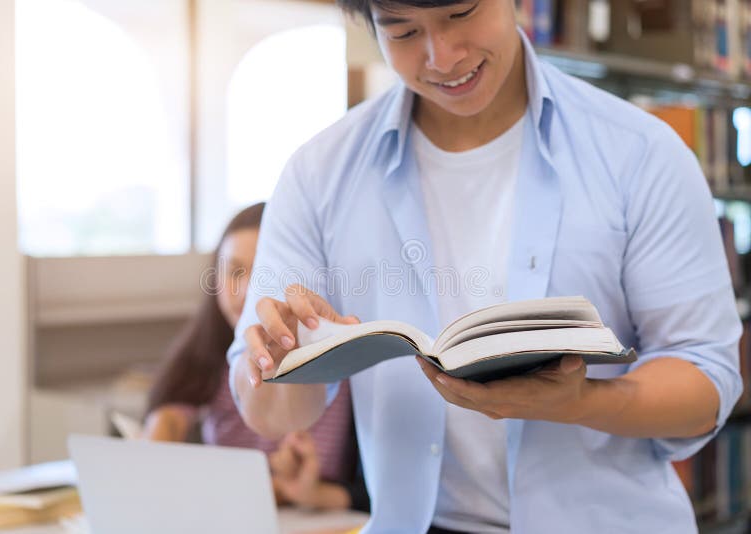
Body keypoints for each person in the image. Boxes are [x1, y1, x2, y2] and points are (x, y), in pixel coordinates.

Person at [227, 2, 743, 533]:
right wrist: (281, 360)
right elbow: (265, 411)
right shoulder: (320, 173)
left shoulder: (640, 153)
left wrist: (582, 402)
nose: (443, 58)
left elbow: (706, 382)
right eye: (403, 32)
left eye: (461, 14)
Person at [144, 202, 367, 512]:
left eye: (264, 273)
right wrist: (160, 428)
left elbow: (375, 492)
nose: (247, 291)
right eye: (234, 272)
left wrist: (304, 491)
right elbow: (167, 419)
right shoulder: (207, 354)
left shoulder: (339, 360)